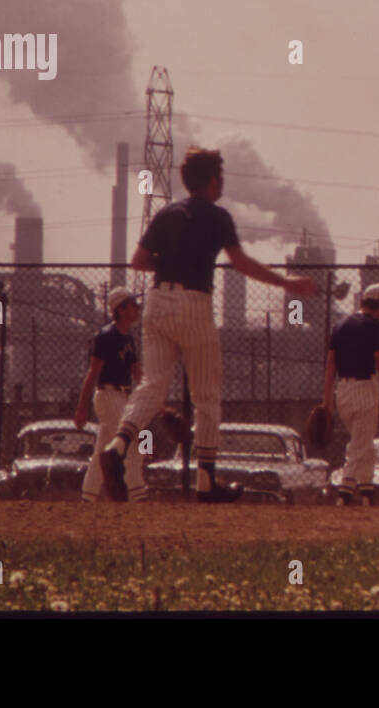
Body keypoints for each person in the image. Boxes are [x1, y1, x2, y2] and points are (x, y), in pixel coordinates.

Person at [97, 147, 315, 503]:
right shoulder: (218, 217)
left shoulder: (167, 213)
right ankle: (206, 482)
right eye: (221, 178)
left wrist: (170, 264)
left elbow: (138, 261)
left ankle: (117, 447)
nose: (222, 184)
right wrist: (288, 283)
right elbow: (241, 263)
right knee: (206, 395)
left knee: (153, 385)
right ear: (212, 181)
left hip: (157, 302)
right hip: (194, 304)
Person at [323, 283, 379, 506]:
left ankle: (367, 492)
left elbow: (331, 363)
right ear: (378, 305)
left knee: (365, 443)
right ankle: (344, 493)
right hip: (365, 389)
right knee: (359, 445)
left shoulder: (339, 325)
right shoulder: (376, 326)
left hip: (342, 391)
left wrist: (327, 400)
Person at [76, 288, 147, 502]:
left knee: (103, 451)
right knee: (131, 442)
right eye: (132, 304)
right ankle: (138, 494)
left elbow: (136, 372)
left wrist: (153, 399)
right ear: (121, 309)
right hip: (107, 395)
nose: (137, 308)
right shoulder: (106, 336)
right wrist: (81, 407)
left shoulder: (129, 339)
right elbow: (93, 372)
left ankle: (88, 496)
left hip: (124, 397)